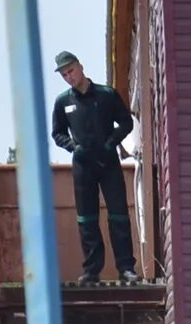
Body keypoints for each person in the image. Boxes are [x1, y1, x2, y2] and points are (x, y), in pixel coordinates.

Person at [49, 53, 138, 284]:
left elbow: (126, 122)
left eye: (71, 71)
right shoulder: (63, 102)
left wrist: (112, 142)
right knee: (86, 219)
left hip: (108, 162)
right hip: (83, 166)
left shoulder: (106, 95)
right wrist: (73, 147)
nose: (69, 77)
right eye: (64, 74)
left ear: (81, 67)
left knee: (118, 215)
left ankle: (126, 268)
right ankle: (91, 270)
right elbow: (57, 133)